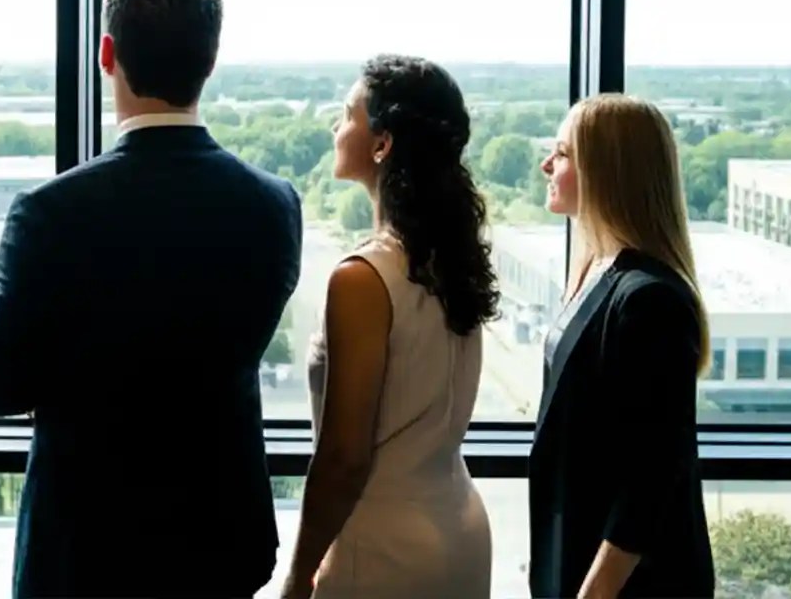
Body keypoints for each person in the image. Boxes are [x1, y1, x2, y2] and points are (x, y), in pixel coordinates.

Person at [0, 0, 303, 598]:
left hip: (84, 553)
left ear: (106, 53)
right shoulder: (273, 205)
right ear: (210, 59)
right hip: (217, 544)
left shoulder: (50, 214)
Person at [282, 55, 498, 599]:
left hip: (379, 549)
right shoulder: (450, 260)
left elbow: (344, 458)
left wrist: (299, 573)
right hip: (460, 529)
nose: (336, 128)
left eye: (347, 115)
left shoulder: (362, 279)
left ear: (382, 144)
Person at [530, 93, 715, 599]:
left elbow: (649, 479)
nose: (547, 164)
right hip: (584, 561)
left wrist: (593, 594)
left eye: (563, 154)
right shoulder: (595, 271)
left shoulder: (648, 299)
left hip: (630, 584)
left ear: (606, 170)